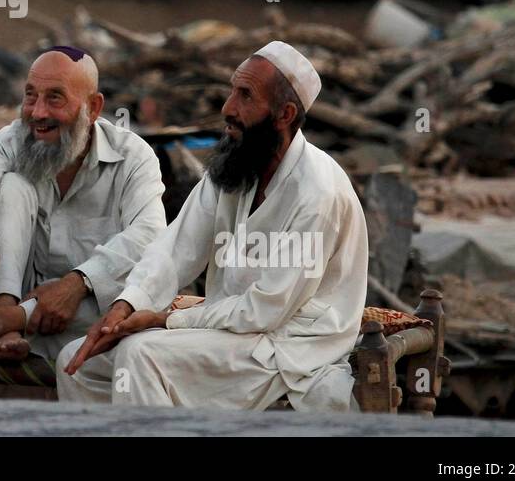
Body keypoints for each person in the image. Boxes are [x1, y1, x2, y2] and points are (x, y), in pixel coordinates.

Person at [60, 41, 368, 411]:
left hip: (288, 346)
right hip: (226, 332)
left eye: (245, 96)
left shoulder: (318, 192)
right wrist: (126, 306)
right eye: (231, 91)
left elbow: (265, 311)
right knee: (74, 362)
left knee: (142, 355)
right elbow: (175, 250)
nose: (228, 109)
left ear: (284, 114)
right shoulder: (238, 163)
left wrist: (165, 320)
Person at [0, 46, 166, 365]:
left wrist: (78, 283)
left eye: (54, 98)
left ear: (92, 107)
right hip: (26, 308)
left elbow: (151, 234)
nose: (37, 113)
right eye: (30, 96)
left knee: (136, 301)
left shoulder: (134, 157)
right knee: (12, 186)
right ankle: (4, 317)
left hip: (90, 320)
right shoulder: (9, 141)